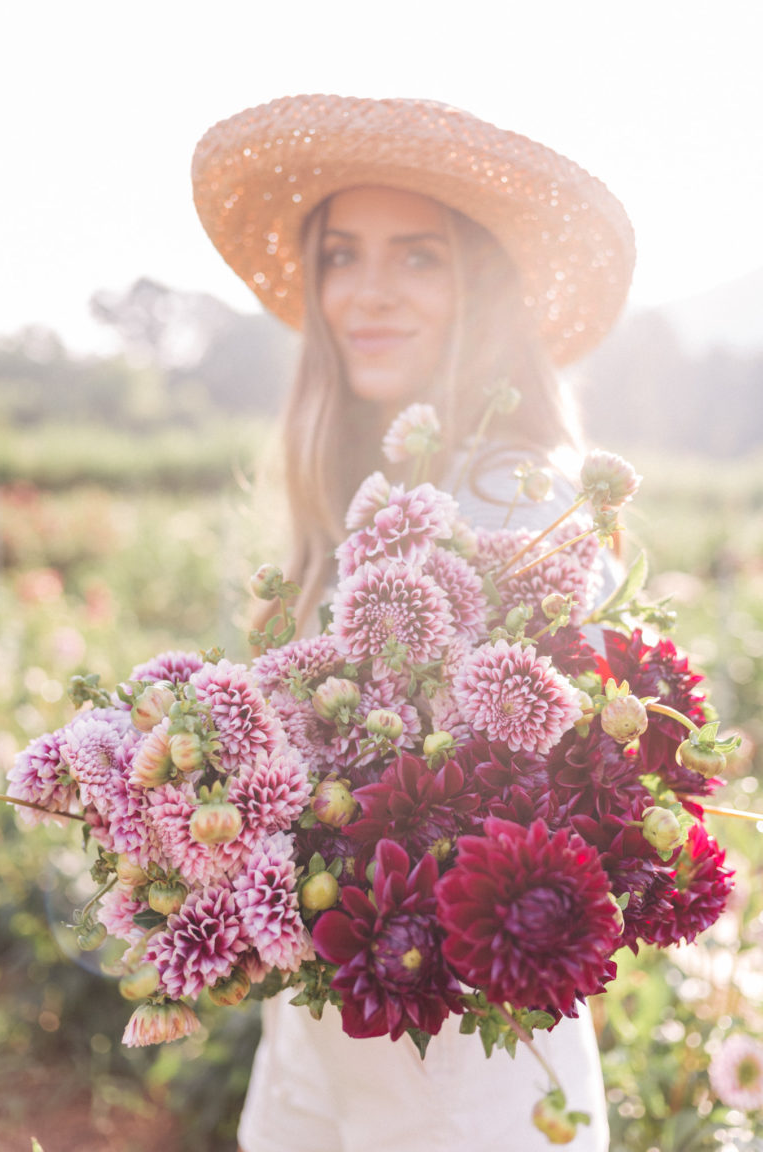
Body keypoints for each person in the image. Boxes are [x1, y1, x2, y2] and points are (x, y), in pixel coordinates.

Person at [191, 93, 636, 1152]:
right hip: (317, 1035)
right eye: (341, 255)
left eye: (419, 257)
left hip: (466, 1069)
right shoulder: (345, 500)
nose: (369, 292)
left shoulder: (525, 503)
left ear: (483, 286)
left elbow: (528, 795)